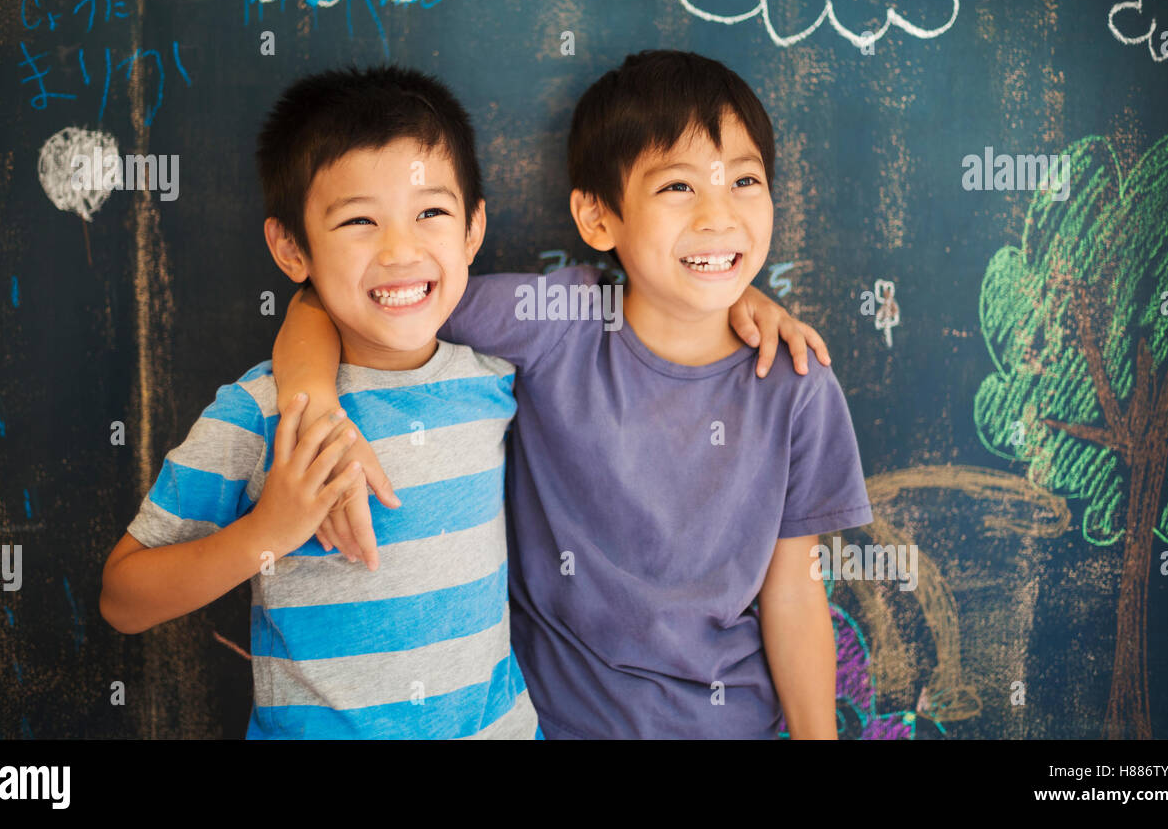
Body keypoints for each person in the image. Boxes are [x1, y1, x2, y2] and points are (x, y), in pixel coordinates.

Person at [273, 50, 871, 738]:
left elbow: (793, 591)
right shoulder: (559, 320)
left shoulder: (797, 382)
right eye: (678, 188)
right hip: (550, 726)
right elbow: (335, 300)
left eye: (744, 180)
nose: (718, 216)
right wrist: (313, 400)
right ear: (597, 219)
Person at [100, 64, 540, 738]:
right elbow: (123, 599)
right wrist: (268, 533)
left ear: (473, 228)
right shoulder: (261, 412)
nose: (400, 250)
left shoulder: (499, 383)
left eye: (431, 213)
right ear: (290, 248)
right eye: (360, 221)